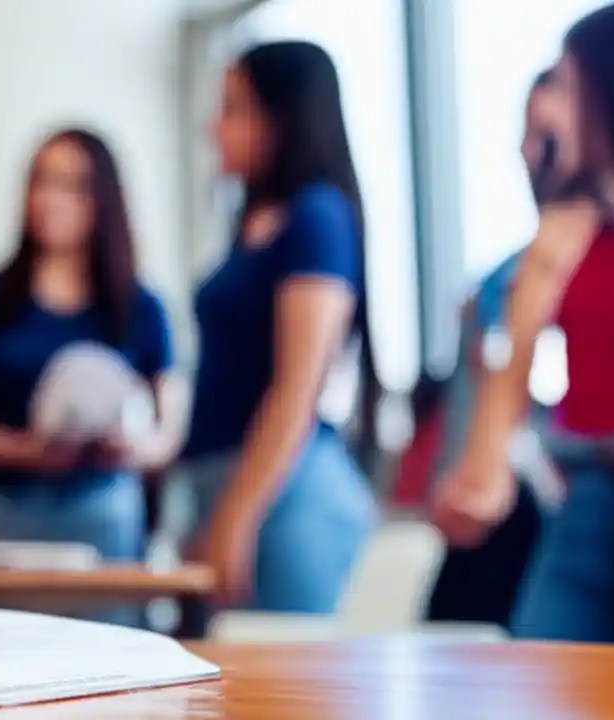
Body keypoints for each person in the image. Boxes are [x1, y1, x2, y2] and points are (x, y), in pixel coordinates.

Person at [435, 4, 614, 642]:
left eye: (569, 85)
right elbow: (510, 360)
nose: (557, 113)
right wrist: (484, 468)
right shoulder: (567, 230)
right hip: (592, 500)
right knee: (542, 671)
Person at [183, 41, 377, 612]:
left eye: (232, 108)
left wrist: (236, 516)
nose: (214, 128)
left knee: (293, 685)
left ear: (282, 116)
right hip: (229, 482)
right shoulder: (253, 223)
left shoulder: (316, 217)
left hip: (287, 494)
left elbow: (298, 386)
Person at [0, 128, 188, 565]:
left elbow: (168, 432)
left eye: (70, 185)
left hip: (101, 512)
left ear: (102, 200)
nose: (50, 198)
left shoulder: (141, 307)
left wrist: (130, 448)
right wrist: (29, 451)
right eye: (41, 181)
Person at [424, 69, 561, 629]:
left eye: (548, 139)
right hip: (509, 513)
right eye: (526, 138)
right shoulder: (499, 285)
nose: (530, 156)